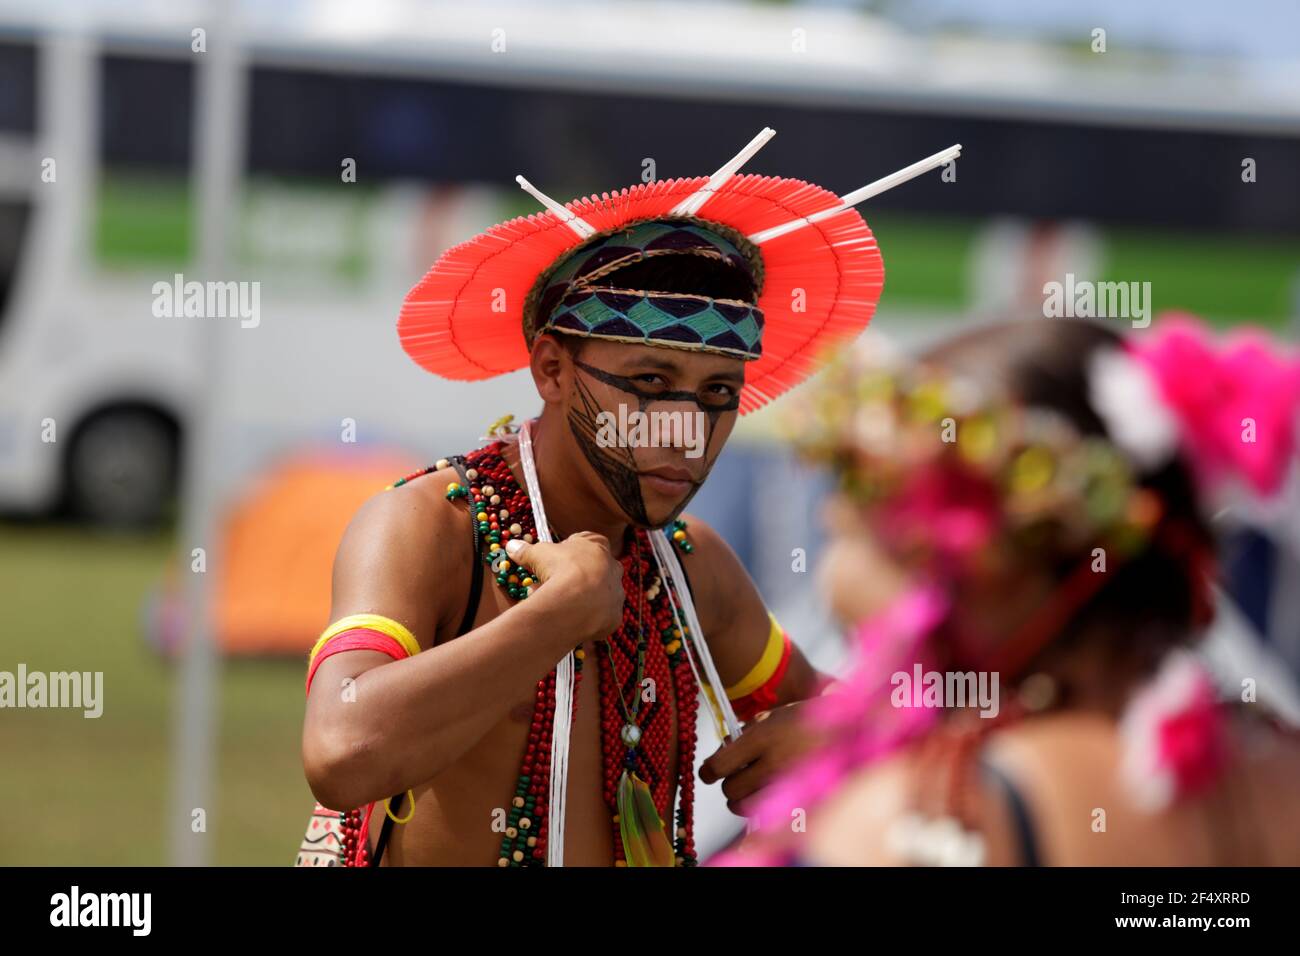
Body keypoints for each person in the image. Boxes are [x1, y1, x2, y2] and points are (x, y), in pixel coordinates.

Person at [295, 130, 899, 866]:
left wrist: (829, 734)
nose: (687, 432)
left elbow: (875, 714)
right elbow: (340, 750)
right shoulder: (432, 527)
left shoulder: (691, 570)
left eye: (718, 394)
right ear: (551, 368)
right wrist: (554, 619)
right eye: (648, 384)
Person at [713, 315, 1300, 866]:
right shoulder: (1274, 764)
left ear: (995, 568)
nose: (838, 575)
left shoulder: (921, 819)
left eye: (878, 527)